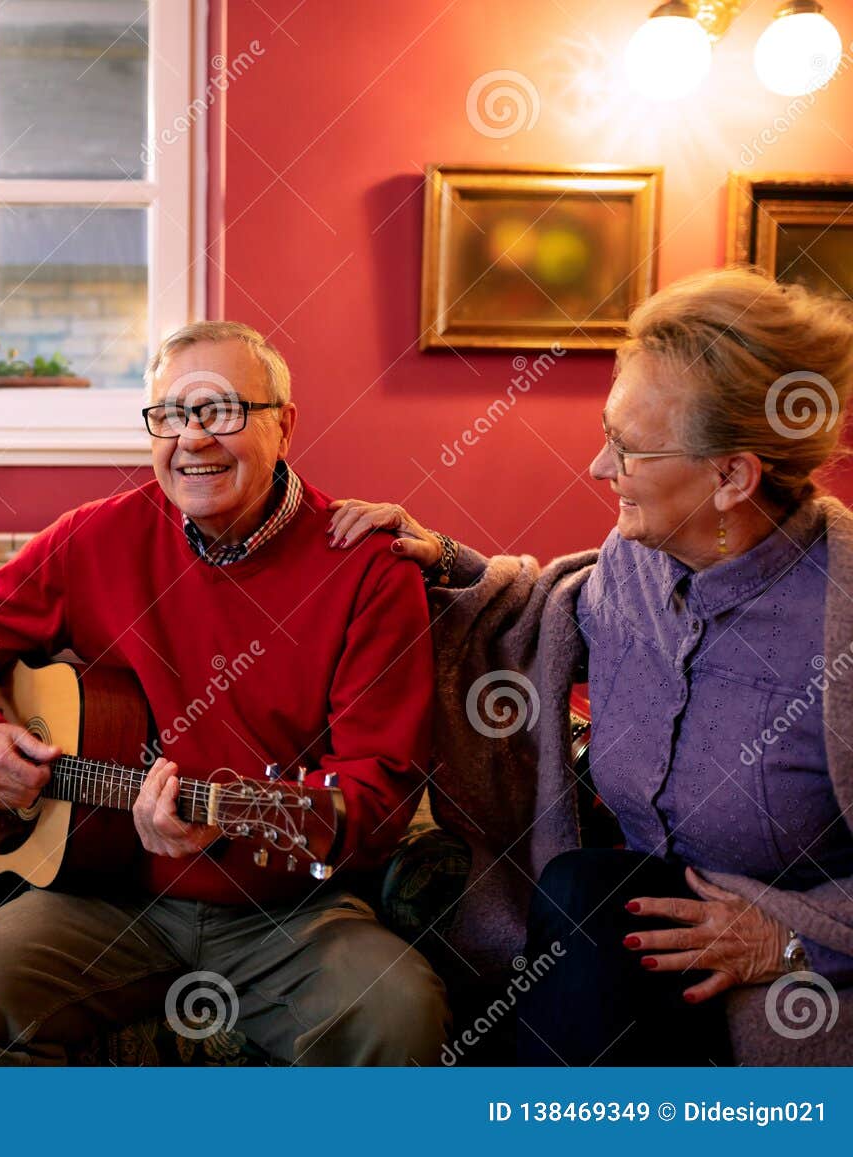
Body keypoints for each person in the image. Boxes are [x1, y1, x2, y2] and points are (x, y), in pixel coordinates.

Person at [328, 267, 853, 1065]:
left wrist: (788, 940)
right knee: (578, 892)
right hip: (635, 939)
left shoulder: (838, 614)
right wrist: (434, 562)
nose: (599, 468)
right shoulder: (638, 560)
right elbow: (548, 609)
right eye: (608, 431)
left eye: (630, 449)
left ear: (732, 476)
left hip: (800, 975)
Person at [0, 321, 449, 1066]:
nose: (192, 439)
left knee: (400, 1014)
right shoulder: (96, 537)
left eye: (222, 411)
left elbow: (379, 790)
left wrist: (237, 821)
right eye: (169, 416)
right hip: (111, 895)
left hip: (292, 911)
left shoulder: (368, 568)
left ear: (285, 426)